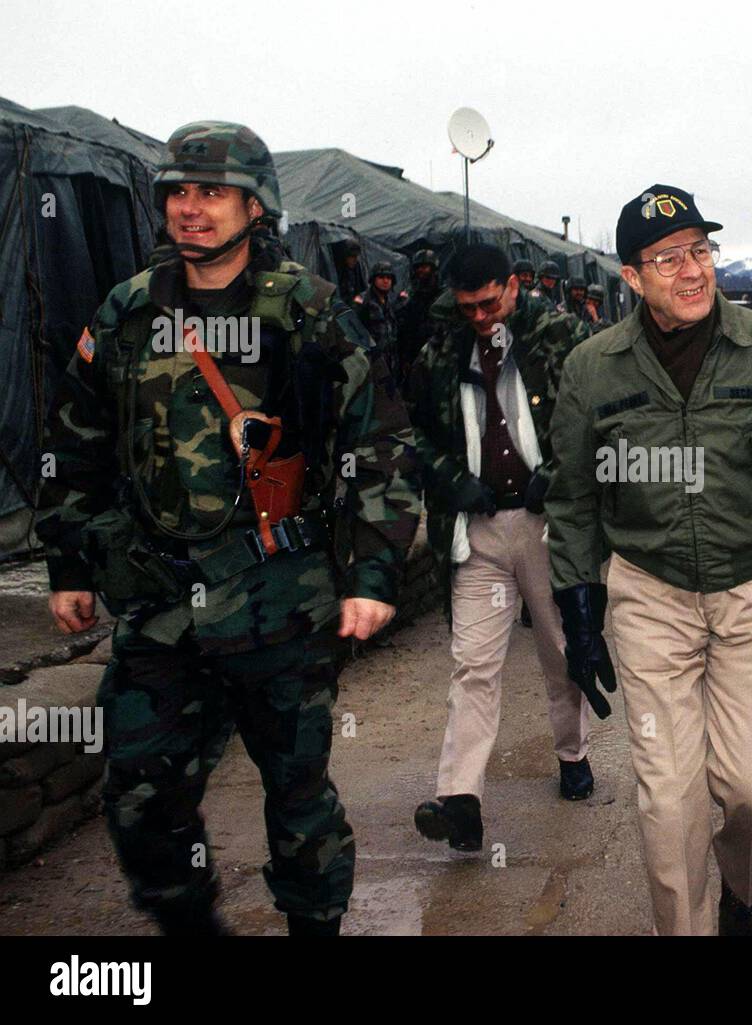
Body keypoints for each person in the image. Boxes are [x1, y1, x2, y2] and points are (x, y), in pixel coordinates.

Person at [35, 121, 422, 937]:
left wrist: (373, 574)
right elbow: (76, 440)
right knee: (140, 791)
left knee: (297, 793)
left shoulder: (307, 313)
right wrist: (71, 562)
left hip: (280, 597)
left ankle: (314, 924)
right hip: (163, 601)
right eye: (177, 191)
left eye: (211, 192)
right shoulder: (128, 310)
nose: (190, 209)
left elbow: (378, 444)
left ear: (255, 205)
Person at [547, 183, 752, 935]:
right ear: (632, 277)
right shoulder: (592, 370)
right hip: (650, 593)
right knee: (669, 797)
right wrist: (579, 606)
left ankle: (744, 888)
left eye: (701, 250)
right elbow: (574, 496)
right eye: (669, 257)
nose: (692, 270)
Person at [406, 244, 595, 853]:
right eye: (469, 308)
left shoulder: (559, 334)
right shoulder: (440, 349)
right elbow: (413, 434)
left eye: (490, 303)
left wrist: (560, 473)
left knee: (559, 651)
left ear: (512, 288)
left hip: (544, 525)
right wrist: (448, 477)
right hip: (478, 529)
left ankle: (572, 753)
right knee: (474, 664)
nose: (482, 317)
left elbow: (594, 418)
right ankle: (461, 799)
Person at [395, 249, 443, 387]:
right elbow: (405, 329)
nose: (421, 271)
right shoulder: (411, 296)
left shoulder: (442, 295)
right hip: (415, 351)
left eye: (425, 267)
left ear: (433, 268)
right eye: (418, 267)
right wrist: (406, 358)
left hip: (437, 351)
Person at [336, 238, 366, 305]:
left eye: (356, 256)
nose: (355, 259)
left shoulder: (356, 267)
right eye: (352, 256)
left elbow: (361, 288)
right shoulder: (339, 271)